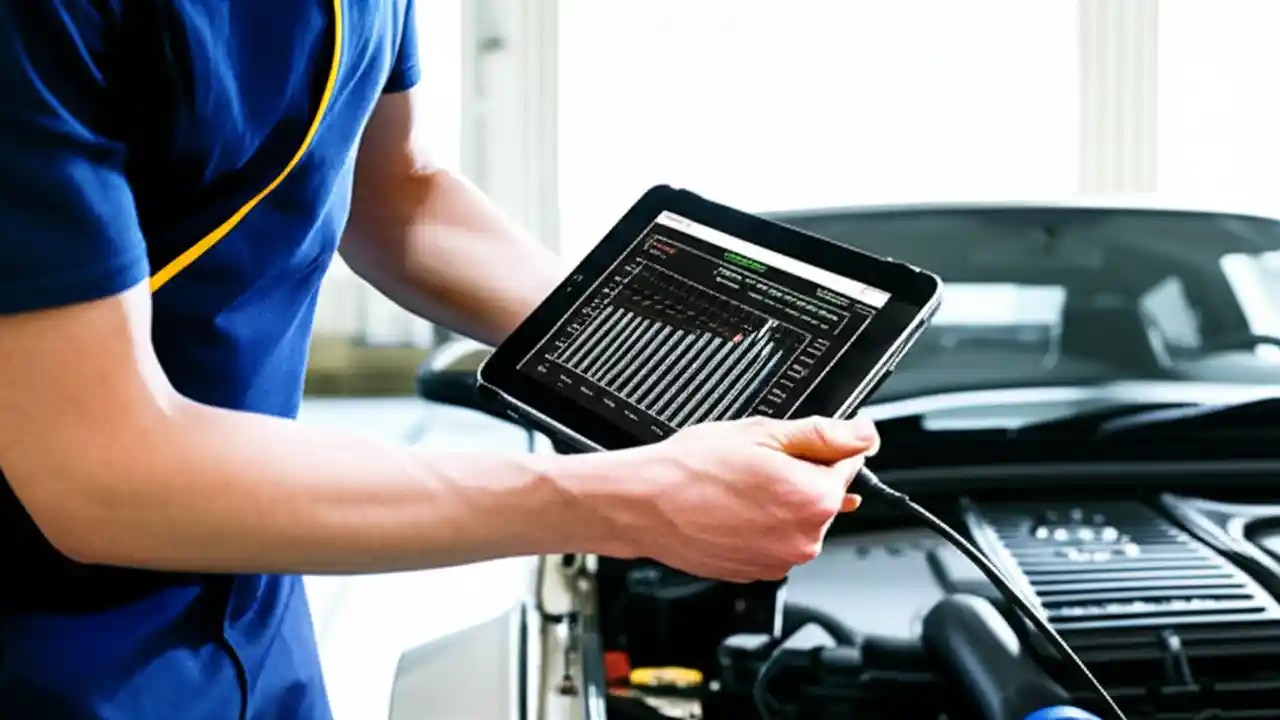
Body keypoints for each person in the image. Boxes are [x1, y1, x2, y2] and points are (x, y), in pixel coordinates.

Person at [0, 2, 879, 718]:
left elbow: (399, 194)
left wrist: (661, 361)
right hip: (51, 645)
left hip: (252, 583)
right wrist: (629, 501)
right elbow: (100, 472)